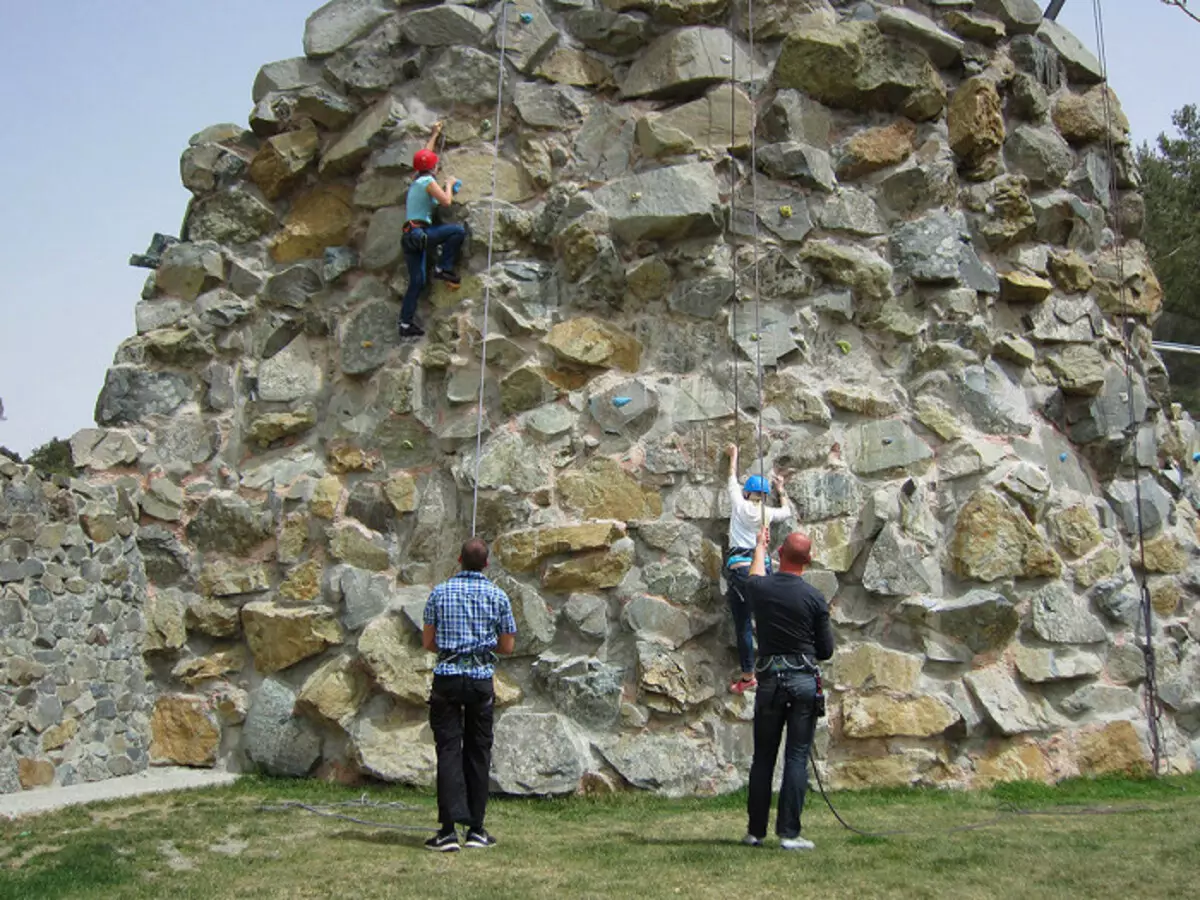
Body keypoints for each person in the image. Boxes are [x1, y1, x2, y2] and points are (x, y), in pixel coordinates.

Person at [741, 524, 834, 851]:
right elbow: (825, 650)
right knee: (796, 756)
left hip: (770, 686)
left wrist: (759, 546)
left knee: (763, 758)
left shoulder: (762, 589)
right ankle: (790, 834)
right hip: (804, 684)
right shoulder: (814, 598)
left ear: (781, 554)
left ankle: (755, 832)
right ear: (807, 560)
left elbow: (751, 578)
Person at [421, 537, 517, 852]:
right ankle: (476, 828)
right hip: (479, 681)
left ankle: (447, 830)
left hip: (447, 679)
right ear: (486, 564)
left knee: (448, 750)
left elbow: (428, 642)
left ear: (459, 560)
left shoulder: (439, 592)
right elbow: (507, 646)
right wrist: (481, 646)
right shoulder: (498, 596)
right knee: (478, 751)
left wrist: (454, 648)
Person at [724, 443, 792, 694]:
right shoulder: (767, 513)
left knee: (743, 624)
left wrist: (734, 456)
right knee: (767, 621)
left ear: (747, 492)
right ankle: (777, 669)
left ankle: (748, 676)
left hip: (741, 569)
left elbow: (731, 478)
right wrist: (781, 489)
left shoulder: (739, 505)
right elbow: (786, 511)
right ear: (763, 496)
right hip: (763, 569)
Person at [400, 121, 465, 339]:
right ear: (433, 168)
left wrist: (435, 133)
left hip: (409, 236)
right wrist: (449, 183)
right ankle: (443, 267)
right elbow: (446, 201)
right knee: (457, 231)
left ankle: (405, 324)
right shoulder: (428, 181)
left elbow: (425, 155)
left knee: (417, 281)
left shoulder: (417, 179)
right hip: (419, 234)